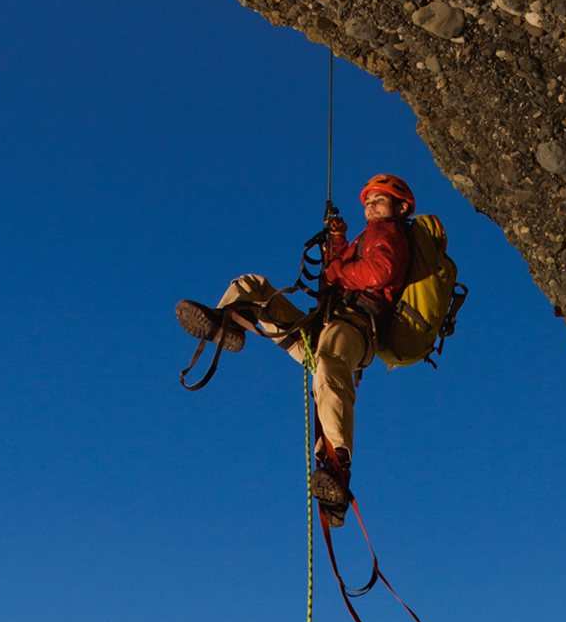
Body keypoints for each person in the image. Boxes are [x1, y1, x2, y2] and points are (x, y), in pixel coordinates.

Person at [175, 173, 415, 525]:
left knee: (330, 362)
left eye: (379, 199)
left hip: (356, 330)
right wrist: (337, 240)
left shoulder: (389, 233)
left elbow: (378, 272)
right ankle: (226, 323)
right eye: (368, 199)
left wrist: (336, 266)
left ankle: (337, 466)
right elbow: (340, 275)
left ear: (401, 206)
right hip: (327, 325)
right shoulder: (368, 237)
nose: (370, 204)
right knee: (254, 286)